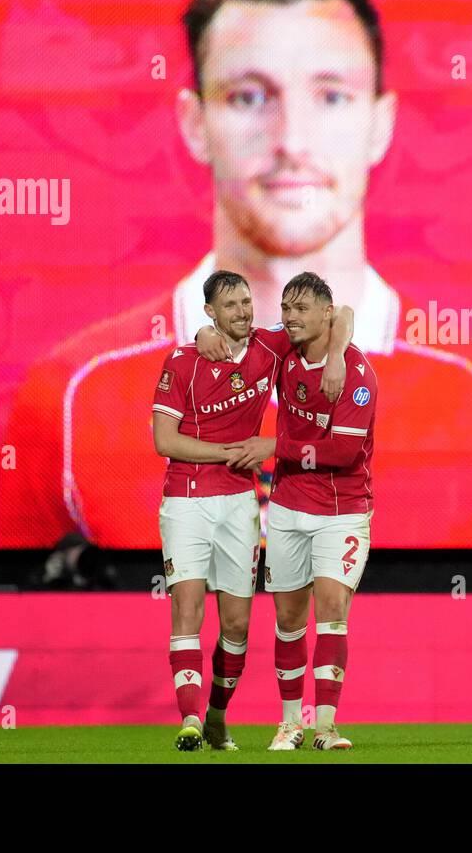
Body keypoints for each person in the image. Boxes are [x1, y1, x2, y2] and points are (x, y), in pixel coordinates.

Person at [0, 0, 472, 551]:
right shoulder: (72, 400)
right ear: (195, 123)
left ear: (381, 124)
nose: (291, 142)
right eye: (250, 97)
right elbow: (18, 639)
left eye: (331, 97)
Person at [151, 269, 318, 751]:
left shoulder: (268, 348)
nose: (243, 312)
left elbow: (338, 315)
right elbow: (164, 440)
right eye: (230, 306)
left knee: (238, 625)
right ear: (209, 313)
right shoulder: (182, 361)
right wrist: (231, 452)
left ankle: (217, 717)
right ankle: (188, 719)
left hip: (239, 502)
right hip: (185, 498)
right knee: (186, 608)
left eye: (247, 302)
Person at [217, 272, 375, 751]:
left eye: (302, 307)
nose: (290, 316)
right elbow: (239, 332)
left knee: (330, 610)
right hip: (287, 507)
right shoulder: (284, 349)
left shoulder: (359, 375)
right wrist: (208, 334)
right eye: (286, 306)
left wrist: (273, 445)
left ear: (325, 312)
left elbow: (343, 454)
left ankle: (325, 726)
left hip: (342, 509)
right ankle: (290, 723)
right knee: (287, 620)